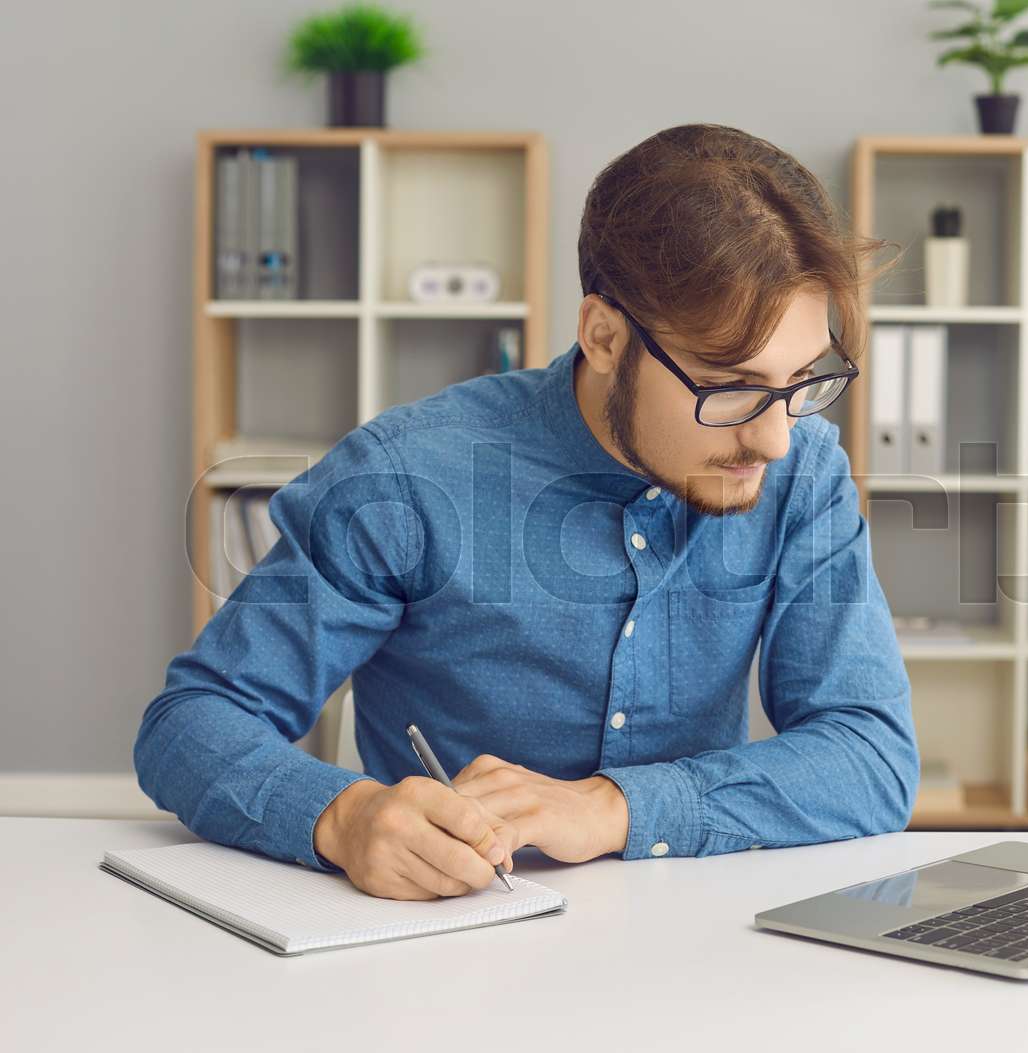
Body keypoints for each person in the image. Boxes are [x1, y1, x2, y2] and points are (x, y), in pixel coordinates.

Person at [134, 124, 919, 900]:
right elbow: (192, 720)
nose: (777, 438)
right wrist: (341, 818)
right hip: (452, 952)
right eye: (733, 388)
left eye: (801, 381)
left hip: (697, 952)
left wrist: (613, 807)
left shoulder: (803, 470)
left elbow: (873, 755)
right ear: (605, 336)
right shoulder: (406, 476)